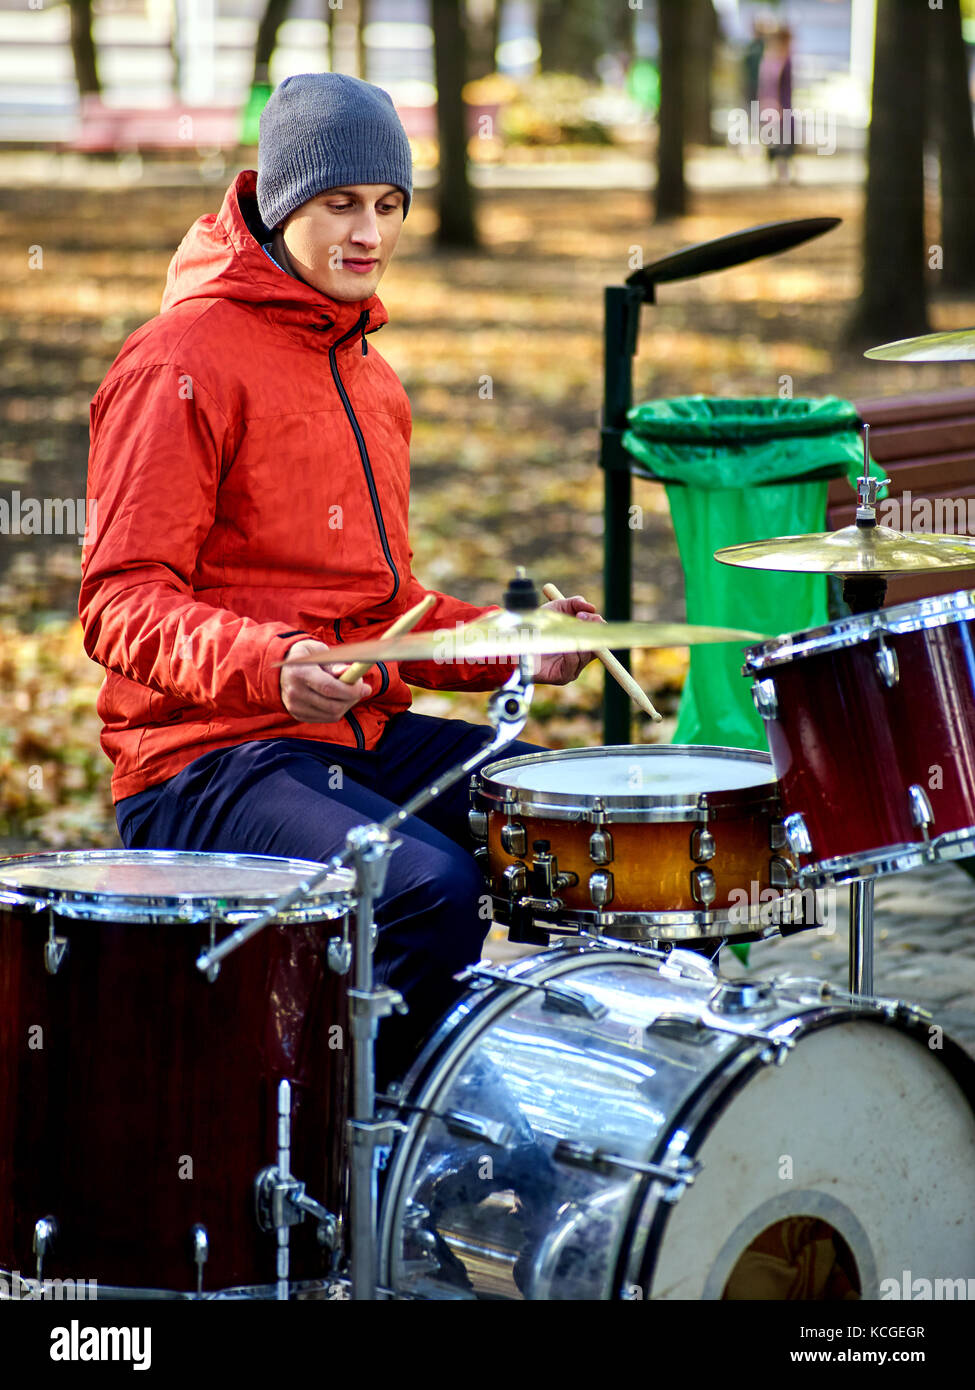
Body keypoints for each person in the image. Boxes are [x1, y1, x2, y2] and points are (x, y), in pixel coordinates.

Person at [79, 72, 601, 1082]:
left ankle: (527, 1114)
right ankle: (348, 1155)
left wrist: (507, 638)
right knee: (424, 888)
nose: (370, 233)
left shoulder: (367, 374)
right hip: (204, 760)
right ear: (282, 205)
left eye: (390, 205)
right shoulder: (178, 360)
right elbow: (119, 601)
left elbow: (384, 610)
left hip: (347, 735)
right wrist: (270, 665)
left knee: (574, 826)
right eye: (341, 205)